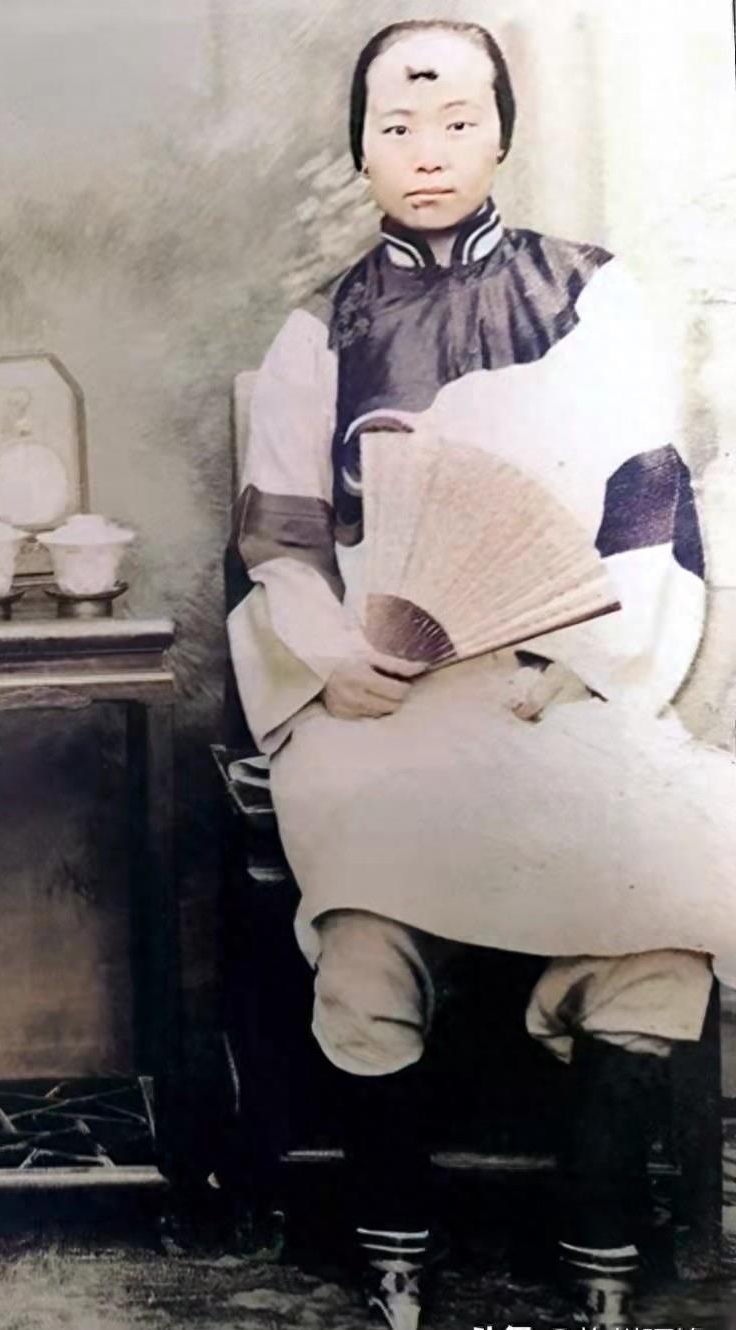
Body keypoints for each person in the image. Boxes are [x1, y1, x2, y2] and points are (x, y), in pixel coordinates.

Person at [228, 21, 734, 1330]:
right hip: (382, 690)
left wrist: (582, 661)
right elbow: (281, 535)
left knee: (670, 873)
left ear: (499, 130)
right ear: (356, 149)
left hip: (556, 669)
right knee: (364, 886)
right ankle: (393, 1233)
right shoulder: (317, 329)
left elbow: (640, 503)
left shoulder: (589, 292)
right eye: (394, 125)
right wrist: (333, 657)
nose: (426, 150)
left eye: (454, 119)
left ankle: (597, 1221)